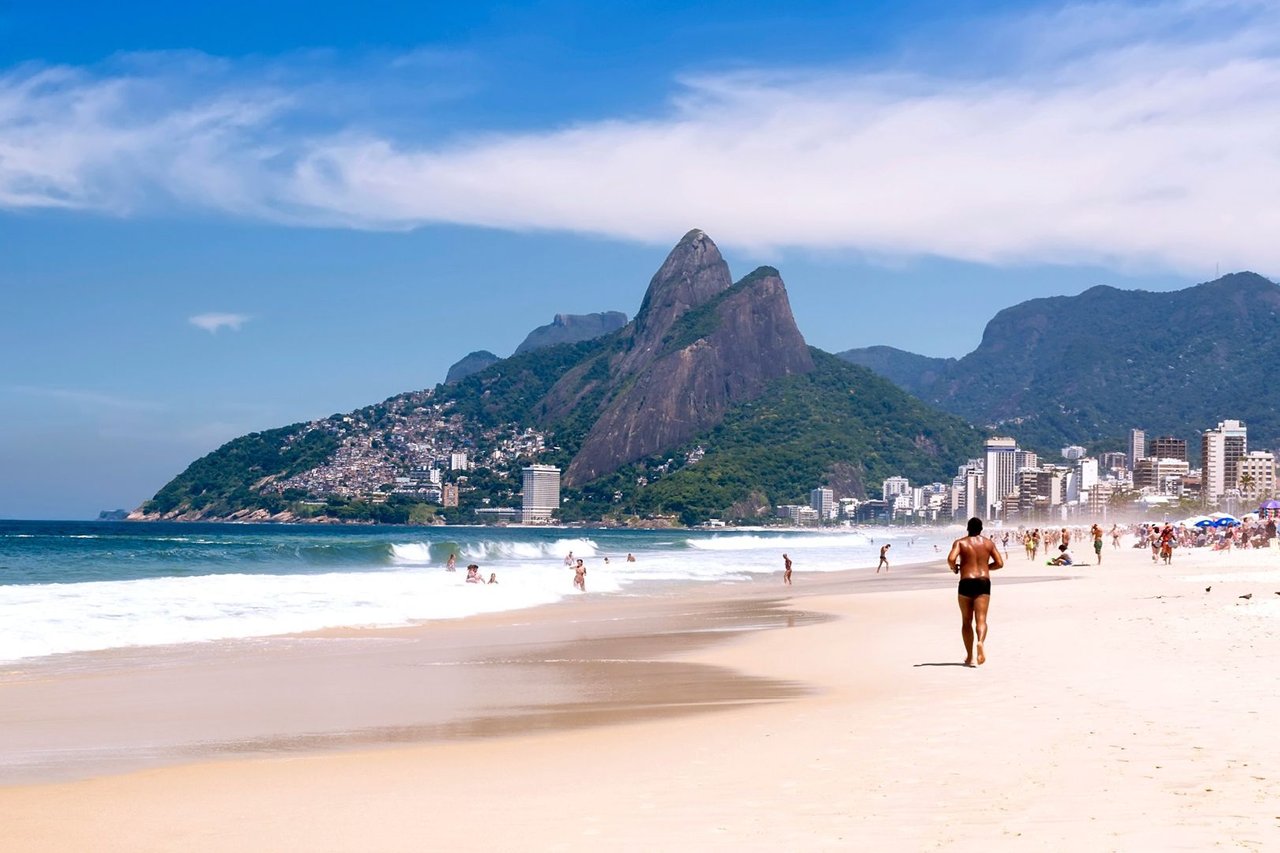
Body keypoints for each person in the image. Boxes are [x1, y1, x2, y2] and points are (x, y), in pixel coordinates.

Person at [947, 517, 1004, 667]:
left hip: (966, 582)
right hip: (983, 582)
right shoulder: (988, 543)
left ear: (967, 528)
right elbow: (999, 563)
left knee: (966, 621)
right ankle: (980, 642)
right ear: (981, 529)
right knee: (981, 619)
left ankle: (970, 657)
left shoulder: (960, 542)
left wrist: (955, 568)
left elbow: (951, 559)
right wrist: (985, 568)